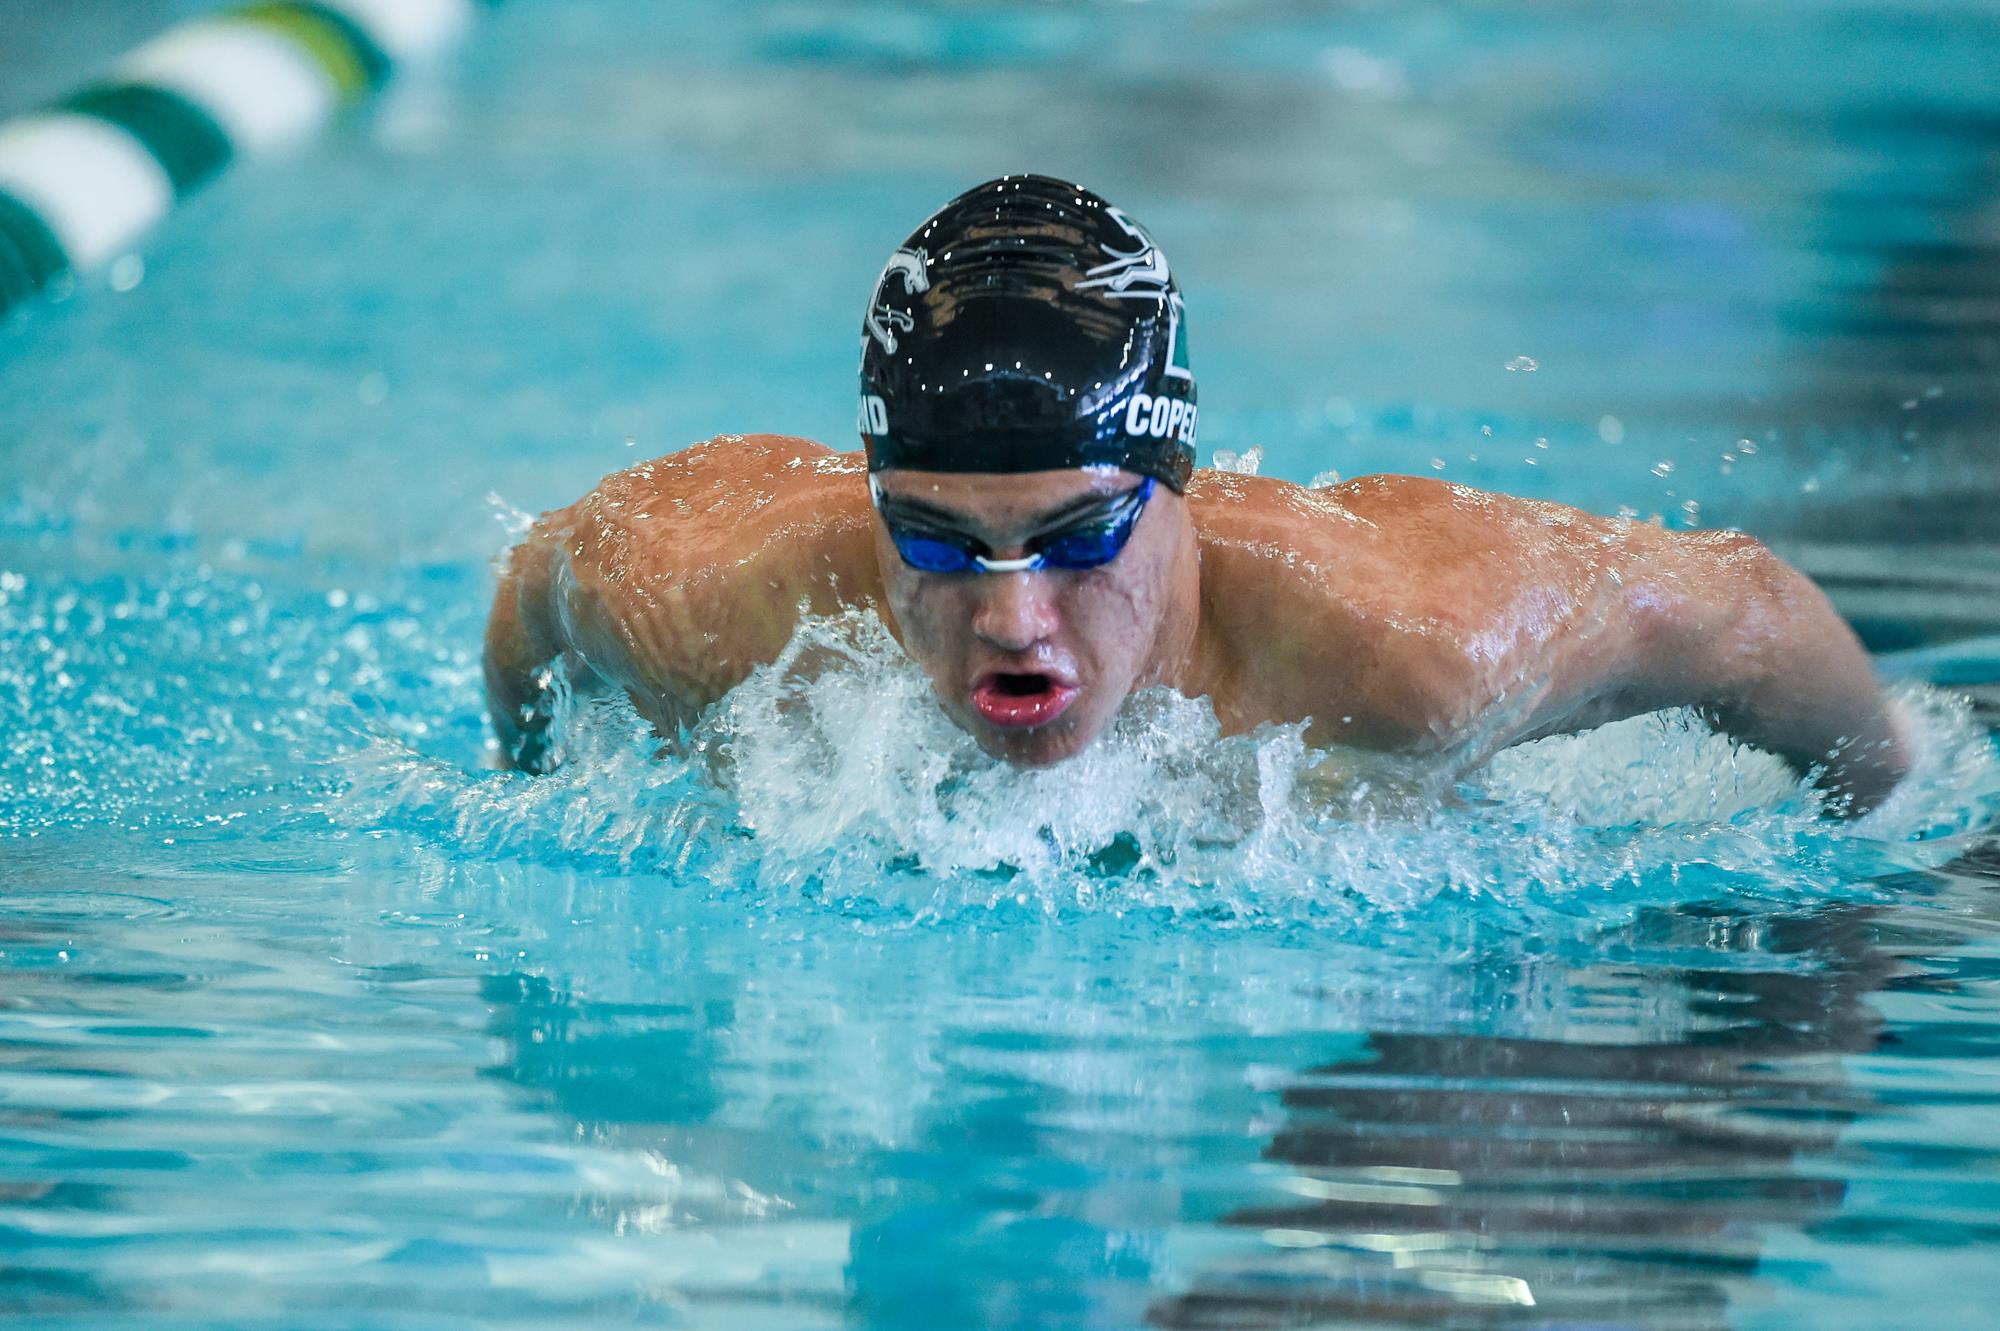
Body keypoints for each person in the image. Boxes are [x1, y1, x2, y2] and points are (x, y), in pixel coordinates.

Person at [483, 174, 1909, 814]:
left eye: (1076, 537)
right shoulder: (709, 602)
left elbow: (1753, 613)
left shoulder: (1410, 645)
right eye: (939, 540)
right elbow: (540, 587)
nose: (1013, 618)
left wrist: (1880, 850)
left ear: (1177, 493)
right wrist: (537, 788)